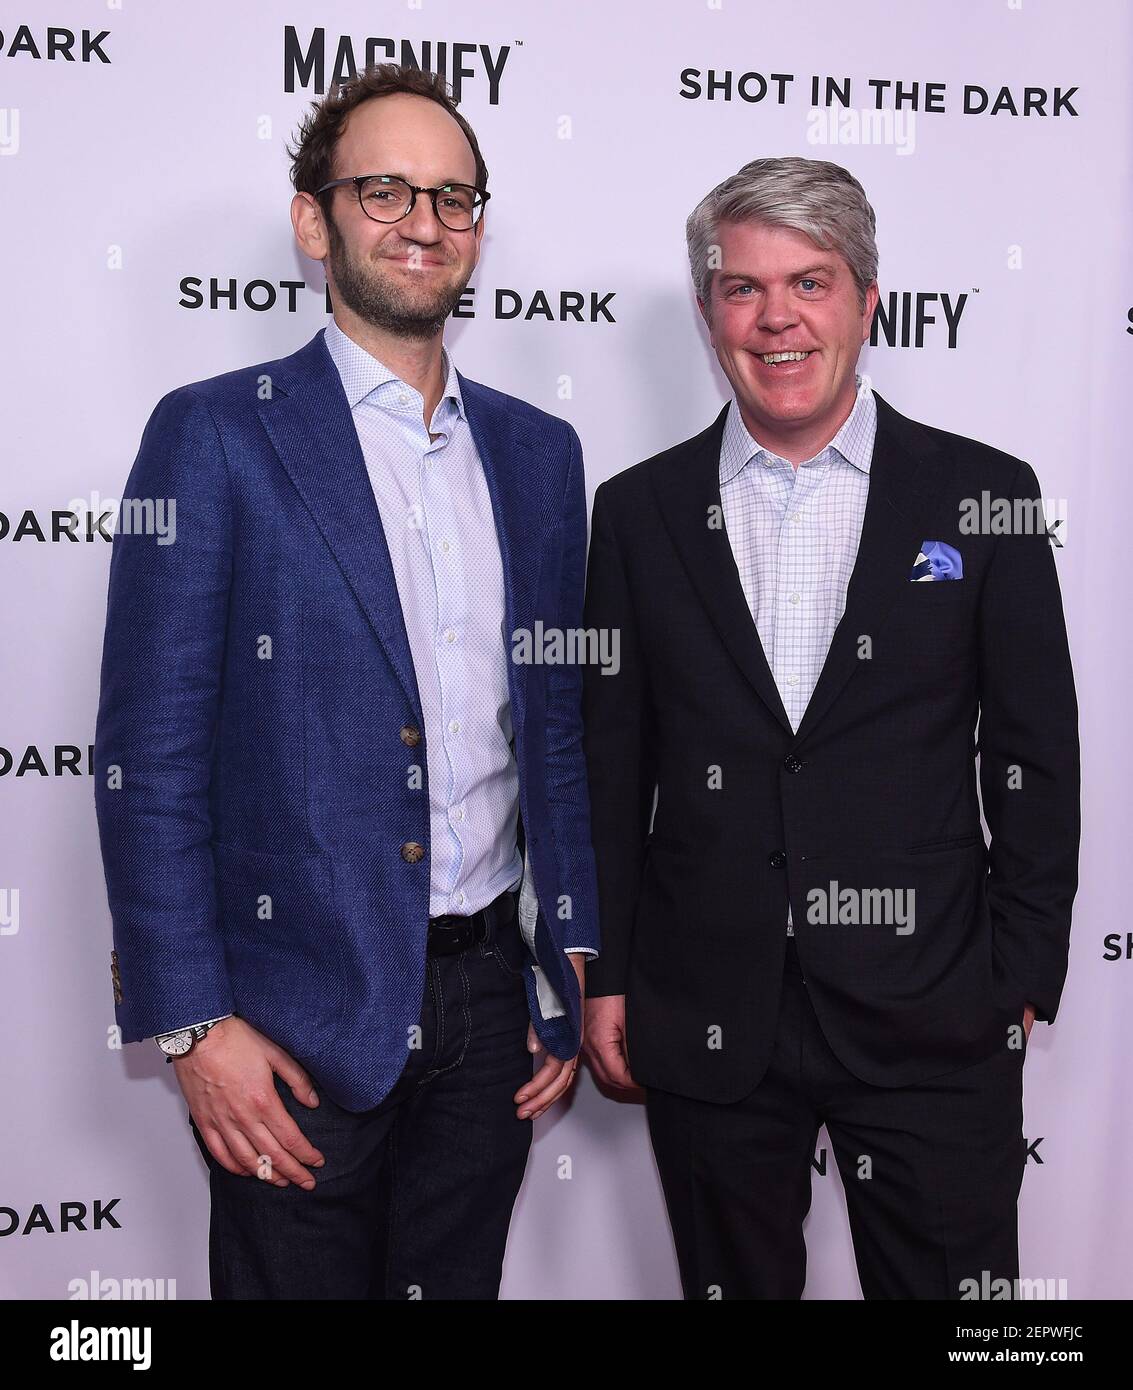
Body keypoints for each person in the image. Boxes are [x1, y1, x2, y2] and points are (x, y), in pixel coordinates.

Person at [94, 62, 599, 1300]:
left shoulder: (542, 457)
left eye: (452, 196)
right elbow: (146, 757)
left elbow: (555, 737)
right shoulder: (214, 433)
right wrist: (193, 1026)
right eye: (384, 190)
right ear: (313, 221)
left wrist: (572, 963)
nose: (422, 221)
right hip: (291, 1027)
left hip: (491, 1017)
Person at [581, 156, 1079, 1300]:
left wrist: (1015, 974)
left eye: (809, 282)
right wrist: (605, 972)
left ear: (864, 297)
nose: (776, 318)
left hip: (934, 1009)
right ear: (707, 310)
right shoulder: (637, 510)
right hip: (707, 1010)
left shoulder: (984, 493)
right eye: (743, 287)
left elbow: (1033, 758)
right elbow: (611, 765)